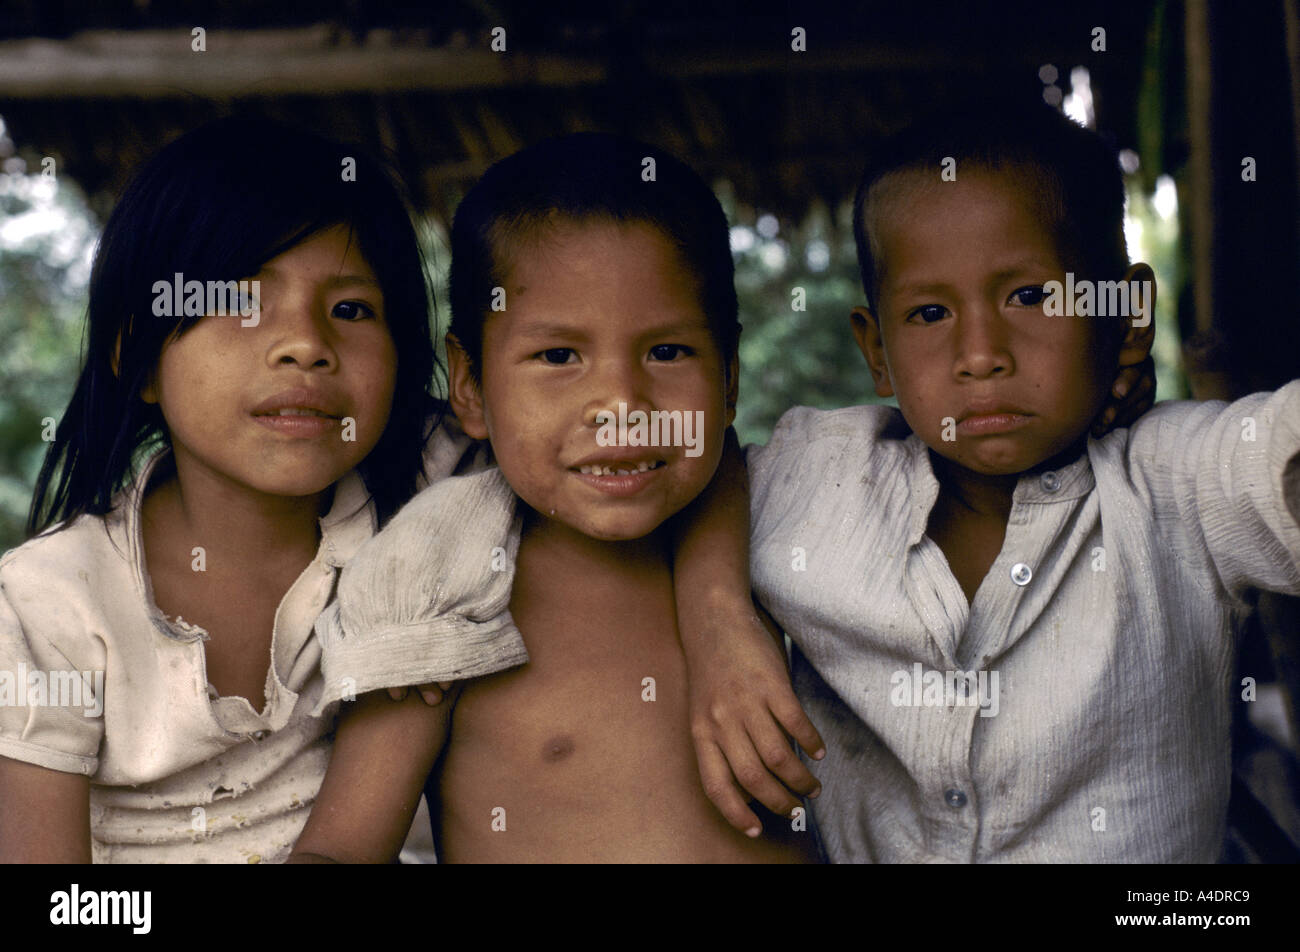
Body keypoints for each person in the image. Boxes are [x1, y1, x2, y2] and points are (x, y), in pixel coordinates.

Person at [684, 98, 1300, 862]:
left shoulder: (1176, 483)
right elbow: (706, 474)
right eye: (931, 312)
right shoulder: (824, 480)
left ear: (1128, 314)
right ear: (876, 350)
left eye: (1032, 297)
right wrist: (718, 618)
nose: (981, 354)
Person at [290, 133, 819, 863]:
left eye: (667, 352)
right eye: (558, 356)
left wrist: (721, 616)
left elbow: (727, 460)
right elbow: (342, 849)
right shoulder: (443, 584)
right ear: (470, 385)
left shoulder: (787, 529)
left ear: (728, 377)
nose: (622, 405)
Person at [0, 117, 513, 863]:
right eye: (241, 302)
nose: (306, 343)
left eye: (351, 309)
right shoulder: (49, 601)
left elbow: (679, 463)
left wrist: (716, 613)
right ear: (137, 358)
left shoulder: (435, 495)